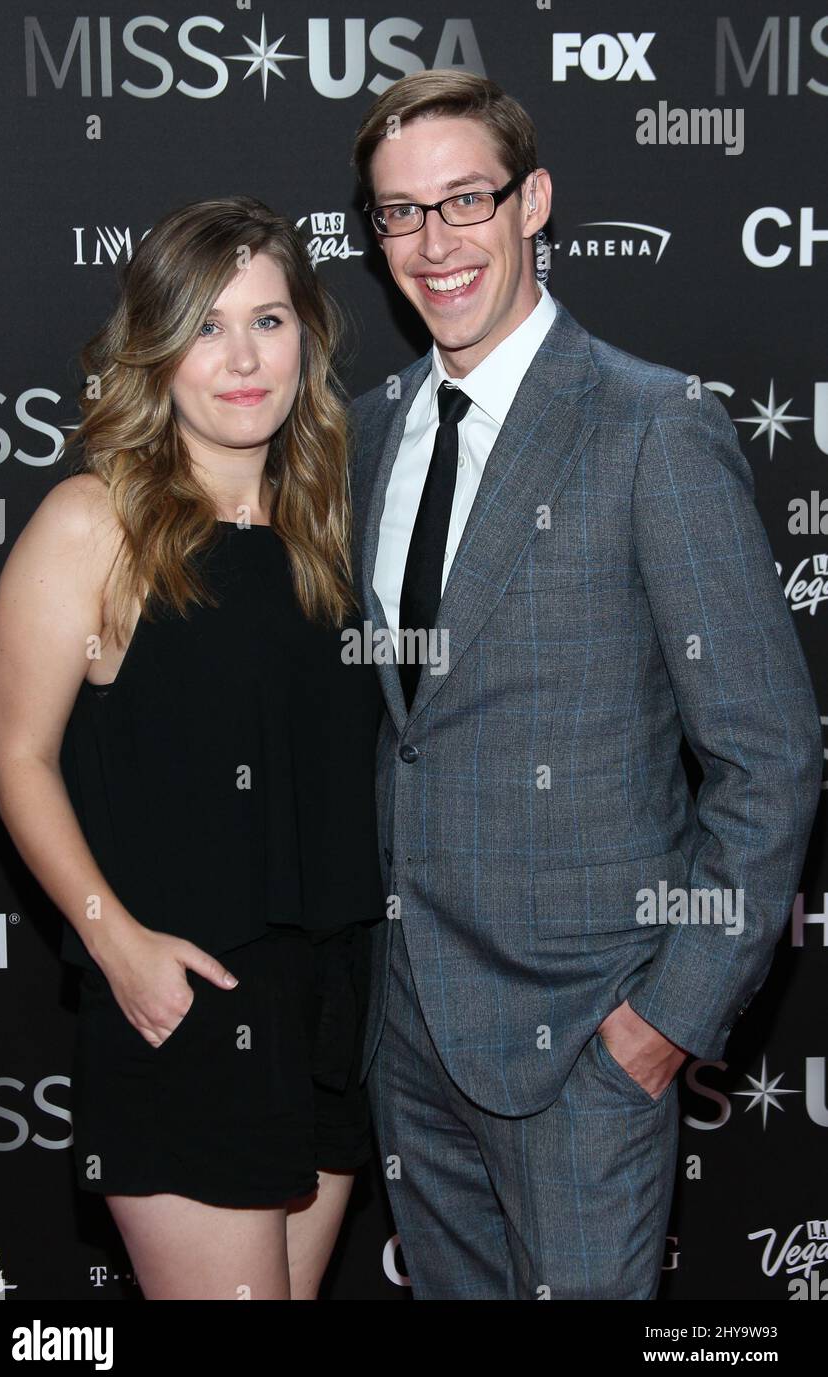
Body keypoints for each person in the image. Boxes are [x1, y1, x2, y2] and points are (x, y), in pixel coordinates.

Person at [347, 70, 823, 1299]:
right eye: (400, 213)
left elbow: (767, 755)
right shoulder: (363, 431)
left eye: (464, 200)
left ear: (533, 202)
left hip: (585, 1047)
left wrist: (661, 1024)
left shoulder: (647, 426)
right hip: (408, 1037)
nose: (435, 243)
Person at [0, 196, 387, 1300]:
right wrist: (115, 943)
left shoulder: (331, 532)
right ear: (154, 349)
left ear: (307, 333)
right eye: (205, 327)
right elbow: (18, 755)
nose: (241, 357)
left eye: (267, 320)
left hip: (333, 994)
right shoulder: (94, 522)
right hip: (188, 999)